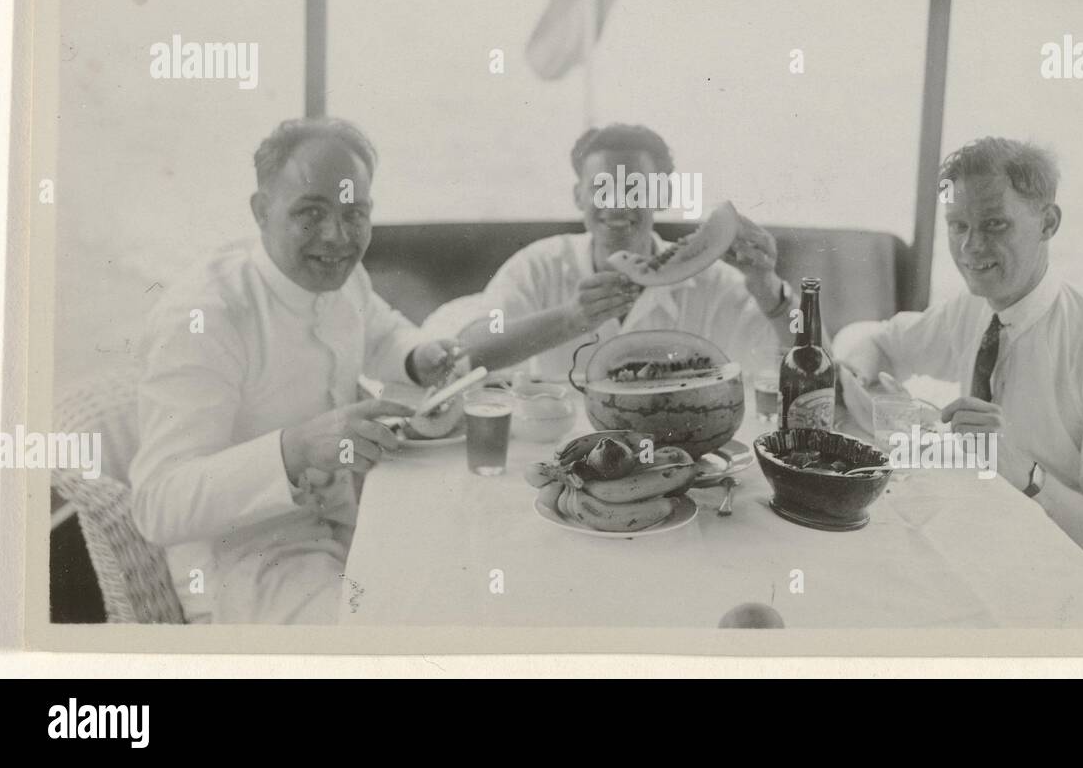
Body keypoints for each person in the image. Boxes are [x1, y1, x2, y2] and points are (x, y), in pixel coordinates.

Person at [835, 137, 1083, 619]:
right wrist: (856, 373)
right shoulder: (973, 308)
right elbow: (876, 339)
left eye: (995, 224)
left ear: (1048, 223)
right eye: (958, 226)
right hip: (1000, 559)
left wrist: (1021, 470)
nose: (971, 247)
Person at [130, 118, 457, 624]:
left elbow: (381, 332)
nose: (338, 237)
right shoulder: (204, 318)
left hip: (350, 520)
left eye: (356, 214)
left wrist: (419, 355)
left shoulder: (341, 273)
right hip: (248, 563)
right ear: (262, 212)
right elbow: (157, 504)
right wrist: (296, 449)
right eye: (311, 212)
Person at [457, 124, 789, 381]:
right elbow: (467, 352)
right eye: (602, 188)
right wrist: (570, 319)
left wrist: (768, 288)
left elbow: (812, 373)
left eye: (636, 189)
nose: (617, 204)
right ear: (578, 196)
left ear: (663, 195)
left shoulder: (715, 283)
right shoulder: (537, 267)